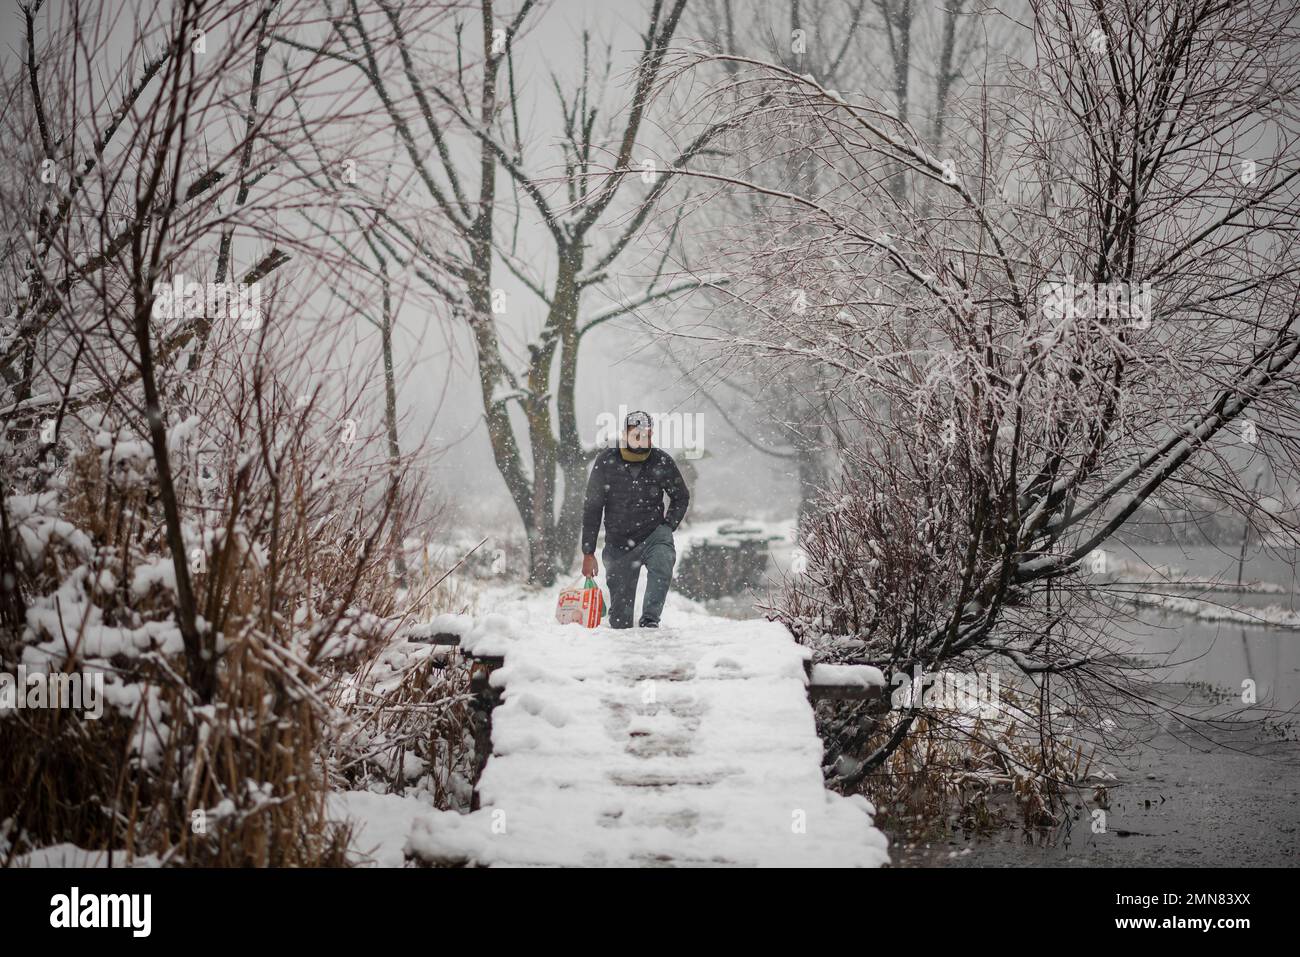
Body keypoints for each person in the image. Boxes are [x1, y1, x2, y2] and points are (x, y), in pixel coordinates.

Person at [580, 410, 690, 628]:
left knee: (662, 564)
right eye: (635, 433)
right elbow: (593, 507)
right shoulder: (607, 462)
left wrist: (668, 526)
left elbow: (681, 496)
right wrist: (588, 552)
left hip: (653, 535)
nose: (641, 439)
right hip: (618, 542)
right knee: (620, 621)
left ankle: (650, 620)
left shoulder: (661, 461)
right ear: (625, 434)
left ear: (651, 435)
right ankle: (624, 633)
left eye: (646, 434)